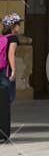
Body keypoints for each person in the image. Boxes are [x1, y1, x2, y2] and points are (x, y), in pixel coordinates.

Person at [0, 13, 20, 144]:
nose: (19, 27)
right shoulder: (13, 38)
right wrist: (14, 70)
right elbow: (11, 54)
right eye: (18, 24)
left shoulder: (2, 37)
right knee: (8, 98)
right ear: (14, 26)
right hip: (6, 72)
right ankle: (3, 126)